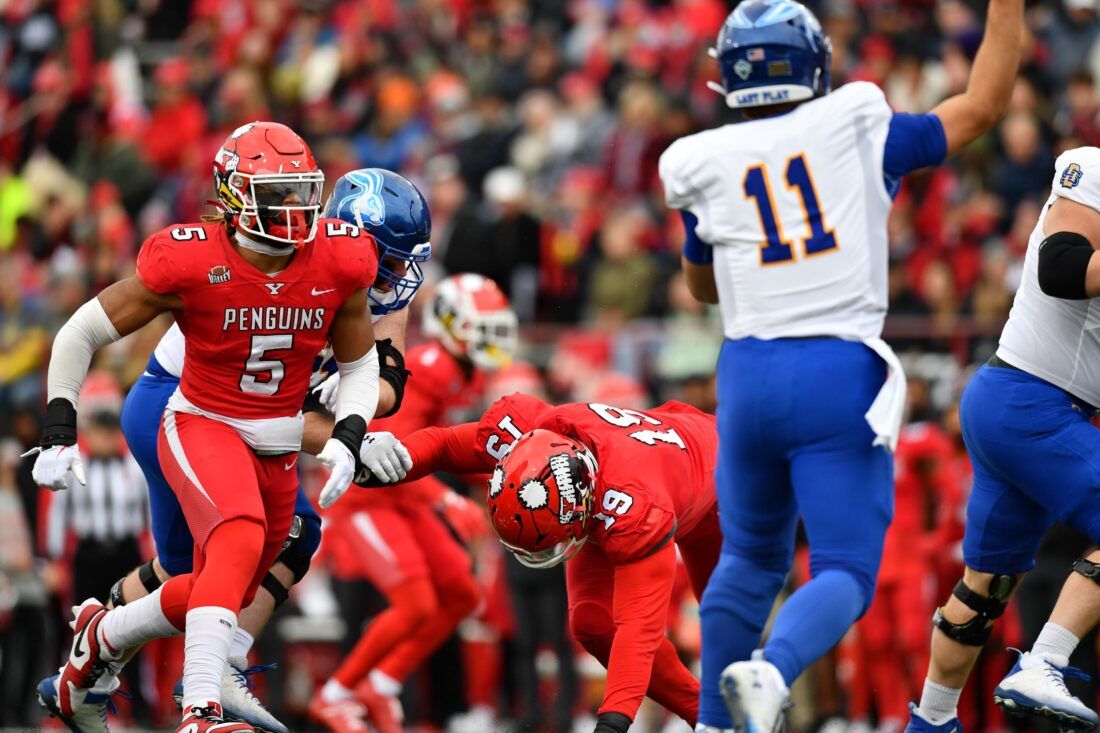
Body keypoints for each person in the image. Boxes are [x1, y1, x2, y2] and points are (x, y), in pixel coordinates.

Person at [656, 0, 1023, 730]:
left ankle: (709, 720)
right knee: (847, 569)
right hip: (834, 368)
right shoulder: (856, 124)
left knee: (748, 560)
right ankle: (774, 667)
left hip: (747, 372)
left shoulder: (704, 158)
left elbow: (702, 287)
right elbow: (983, 105)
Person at [35, 167, 431, 733]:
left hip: (256, 412)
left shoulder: (355, 272)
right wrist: (350, 435)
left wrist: (353, 411)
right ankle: (212, 675)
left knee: (194, 574)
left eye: (400, 262)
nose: (395, 278)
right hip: (190, 406)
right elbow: (256, 408)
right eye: (388, 260)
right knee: (261, 544)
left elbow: (384, 376)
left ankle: (97, 645)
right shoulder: (279, 262)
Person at [356, 393, 722, 732]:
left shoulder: (635, 507)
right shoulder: (533, 437)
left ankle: (729, 709)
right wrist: (396, 459)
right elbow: (447, 445)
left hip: (720, 480)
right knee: (591, 624)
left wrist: (613, 722)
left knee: (725, 617)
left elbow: (638, 631)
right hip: (633, 473)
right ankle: (706, 716)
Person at [902, 146, 1100, 733]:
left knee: (984, 590)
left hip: (1020, 406)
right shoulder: (1090, 168)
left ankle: (931, 722)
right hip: (1031, 402)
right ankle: (1047, 661)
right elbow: (1060, 266)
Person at [309, 273, 517, 733]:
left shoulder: (465, 369)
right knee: (415, 602)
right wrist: (445, 498)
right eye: (479, 325)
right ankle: (335, 695)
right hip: (367, 498)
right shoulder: (429, 365)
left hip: (404, 497)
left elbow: (443, 445)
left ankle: (381, 683)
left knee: (463, 594)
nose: (490, 337)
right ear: (448, 323)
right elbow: (394, 452)